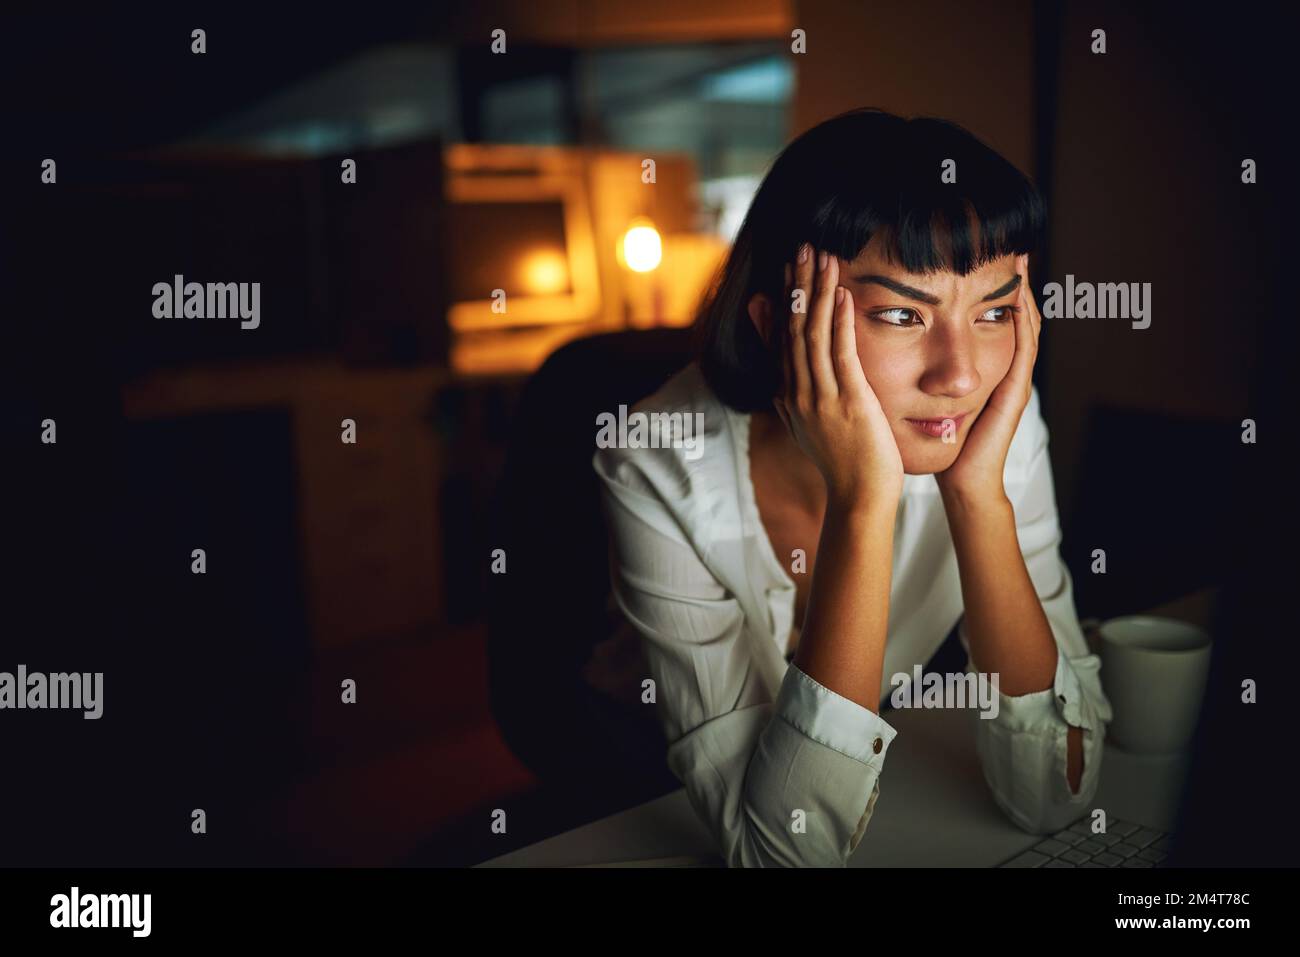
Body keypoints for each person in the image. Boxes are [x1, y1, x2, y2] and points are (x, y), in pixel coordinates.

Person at [592, 108, 1112, 867]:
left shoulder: (989, 416)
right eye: (903, 313)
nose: (959, 374)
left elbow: (1054, 797)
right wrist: (863, 503)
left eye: (996, 311)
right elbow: (780, 855)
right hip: (631, 786)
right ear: (778, 322)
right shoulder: (655, 462)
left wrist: (979, 499)